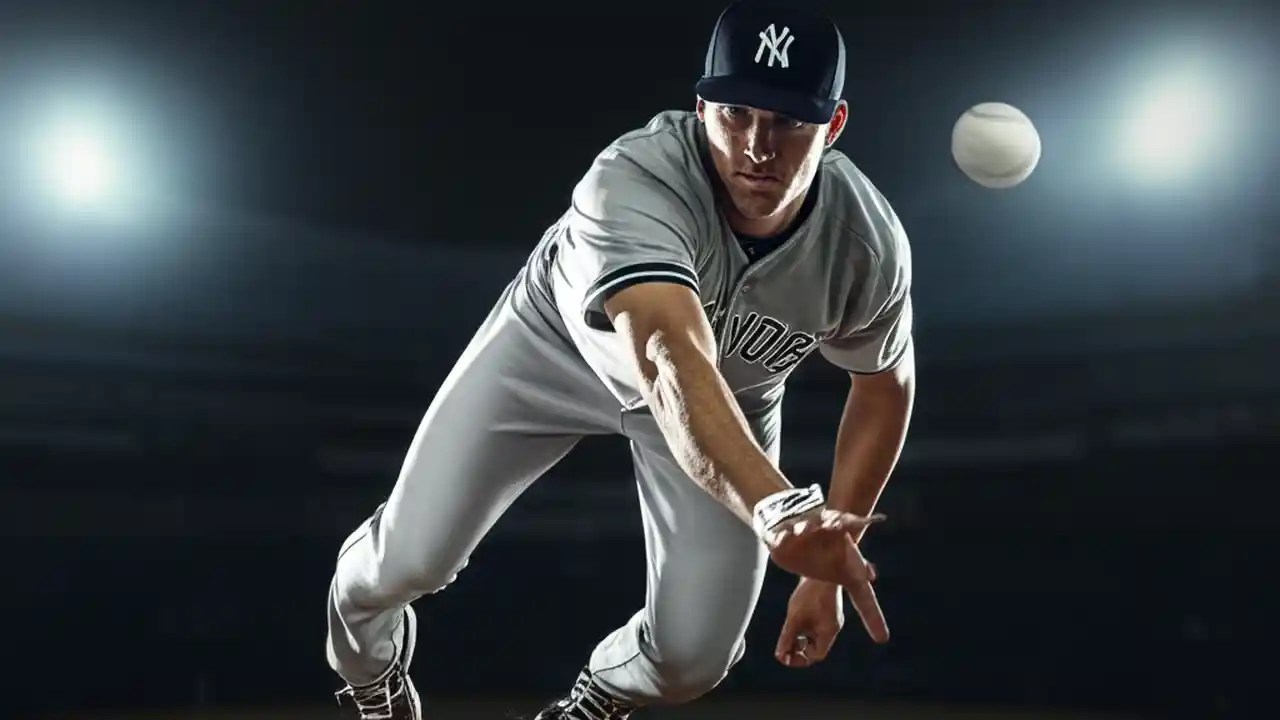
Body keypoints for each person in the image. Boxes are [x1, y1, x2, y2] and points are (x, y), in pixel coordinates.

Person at [326, 1, 917, 718]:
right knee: (409, 561)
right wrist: (776, 507)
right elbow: (669, 359)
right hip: (554, 350)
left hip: (729, 406)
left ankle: (597, 697)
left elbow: (884, 389)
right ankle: (366, 658)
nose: (759, 145)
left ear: (836, 124)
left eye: (791, 121)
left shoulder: (864, 243)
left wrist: (827, 568)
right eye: (737, 113)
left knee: (695, 658)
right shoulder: (634, 178)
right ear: (701, 109)